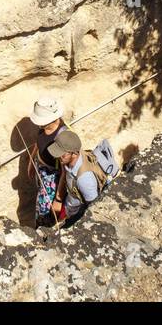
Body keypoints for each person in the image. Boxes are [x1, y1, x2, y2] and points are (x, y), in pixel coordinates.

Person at [25, 97, 68, 228]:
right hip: (42, 171)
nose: (39, 125)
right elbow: (39, 142)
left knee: (45, 212)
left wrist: (58, 200)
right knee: (40, 205)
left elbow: (65, 171)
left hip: (52, 180)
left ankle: (42, 234)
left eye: (42, 121)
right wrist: (32, 162)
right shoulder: (44, 127)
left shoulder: (62, 137)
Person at [48, 129, 108, 221]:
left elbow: (93, 207)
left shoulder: (84, 179)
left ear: (75, 153)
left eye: (62, 154)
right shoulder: (71, 158)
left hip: (75, 213)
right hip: (69, 202)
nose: (57, 156)